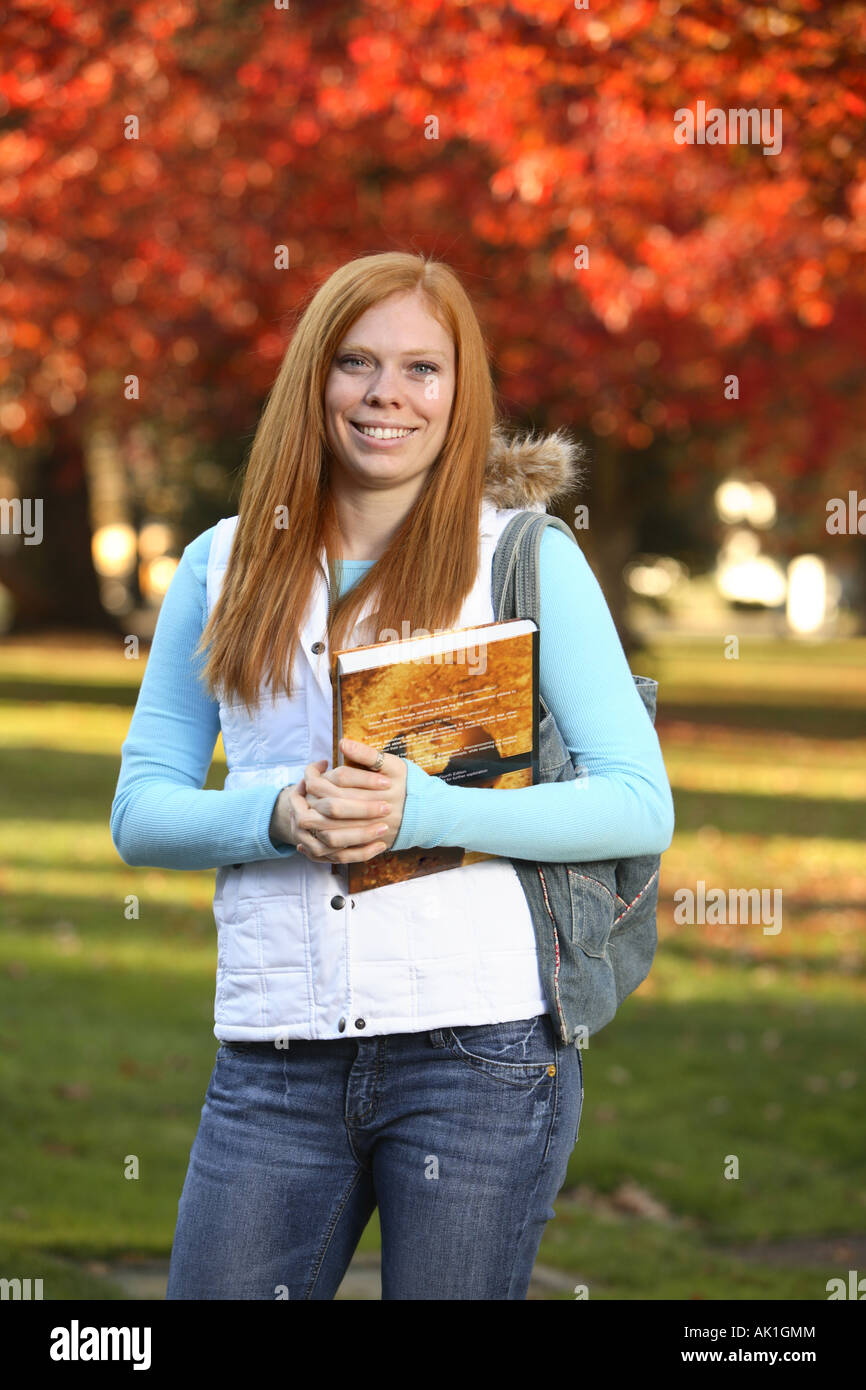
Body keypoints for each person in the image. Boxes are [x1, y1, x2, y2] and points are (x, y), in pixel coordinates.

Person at [110, 251, 675, 1300]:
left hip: (482, 1054)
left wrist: (427, 807)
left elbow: (636, 800)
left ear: (460, 395)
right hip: (274, 1054)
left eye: (422, 368)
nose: (386, 395)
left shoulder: (522, 557)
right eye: (357, 362)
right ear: (311, 380)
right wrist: (277, 815)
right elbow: (141, 811)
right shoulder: (220, 565)